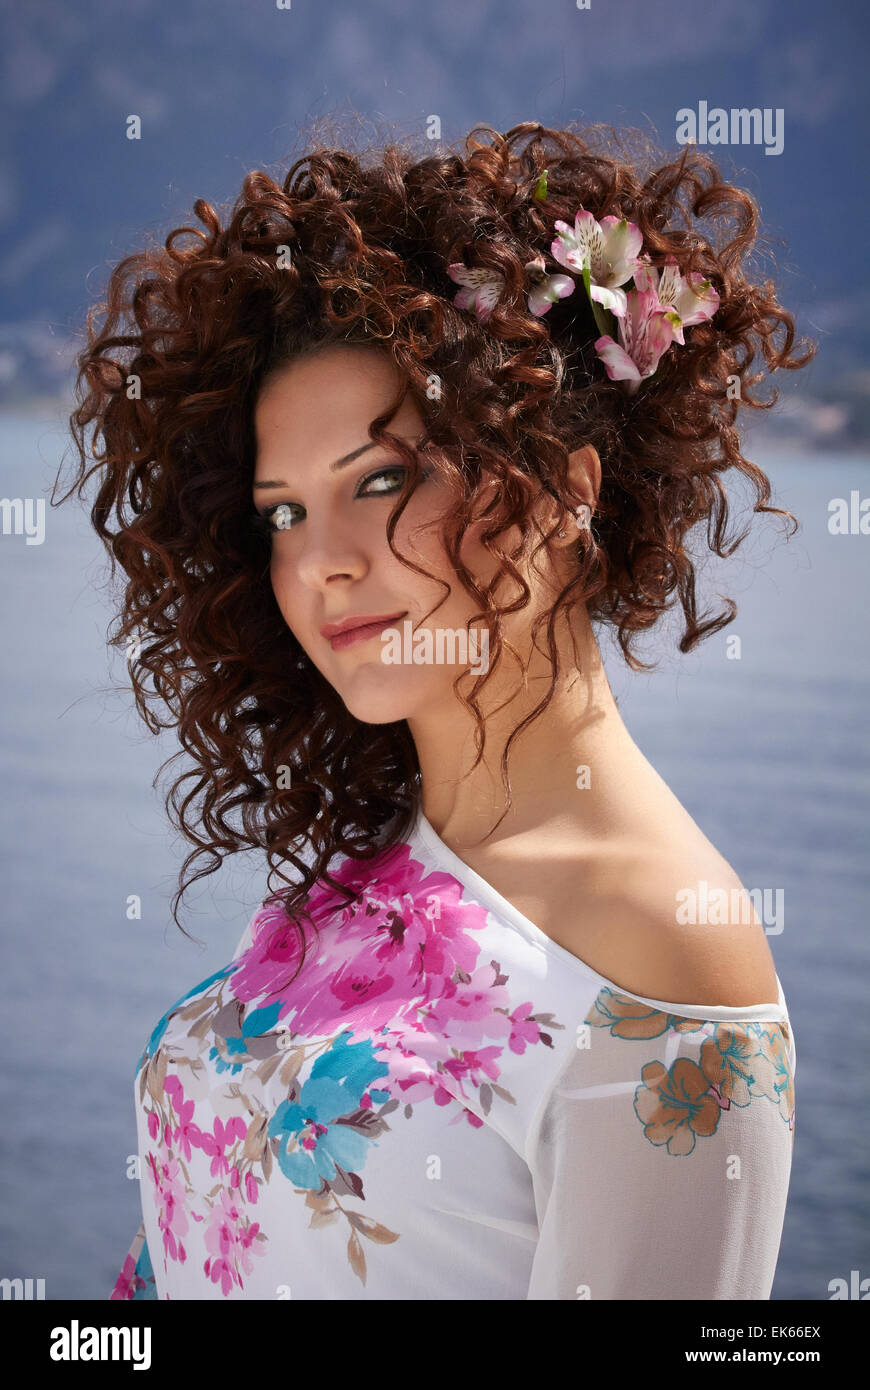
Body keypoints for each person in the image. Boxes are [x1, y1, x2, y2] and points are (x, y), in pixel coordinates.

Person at [61, 120, 813, 1300]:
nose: (321, 564)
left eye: (379, 481)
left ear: (561, 488)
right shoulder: (380, 864)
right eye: (283, 513)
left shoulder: (661, 944)